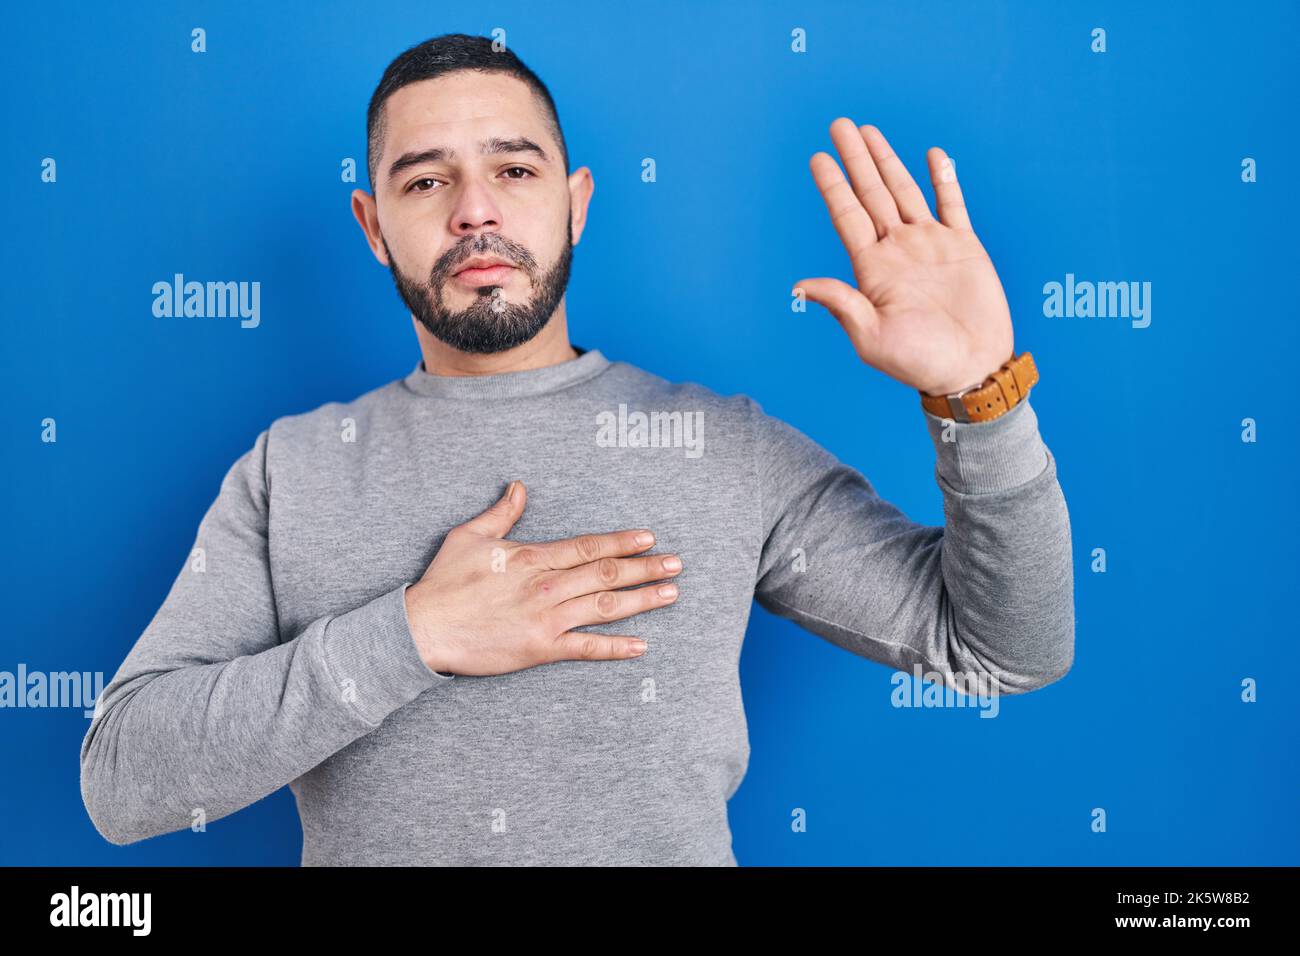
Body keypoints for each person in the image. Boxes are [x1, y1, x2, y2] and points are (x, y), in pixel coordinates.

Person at [80, 33, 1074, 865]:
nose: (475, 209)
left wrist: (978, 396)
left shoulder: (723, 446)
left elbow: (1004, 649)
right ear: (373, 225)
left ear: (577, 201)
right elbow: (122, 779)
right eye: (426, 180)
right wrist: (414, 634)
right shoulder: (288, 470)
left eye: (514, 169)